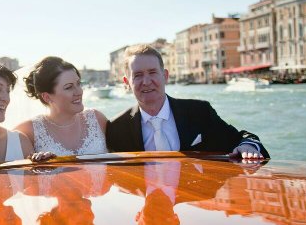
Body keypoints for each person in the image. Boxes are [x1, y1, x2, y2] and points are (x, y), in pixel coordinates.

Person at [106, 45, 268, 160]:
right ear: (127, 82)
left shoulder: (199, 112)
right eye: (138, 75)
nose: (146, 81)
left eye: (152, 72)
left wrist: (249, 147)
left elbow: (241, 138)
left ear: (165, 76)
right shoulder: (117, 128)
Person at [14, 56, 108, 158]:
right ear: (47, 97)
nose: (79, 91)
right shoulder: (28, 131)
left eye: (78, 84)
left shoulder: (97, 119)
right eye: (69, 87)